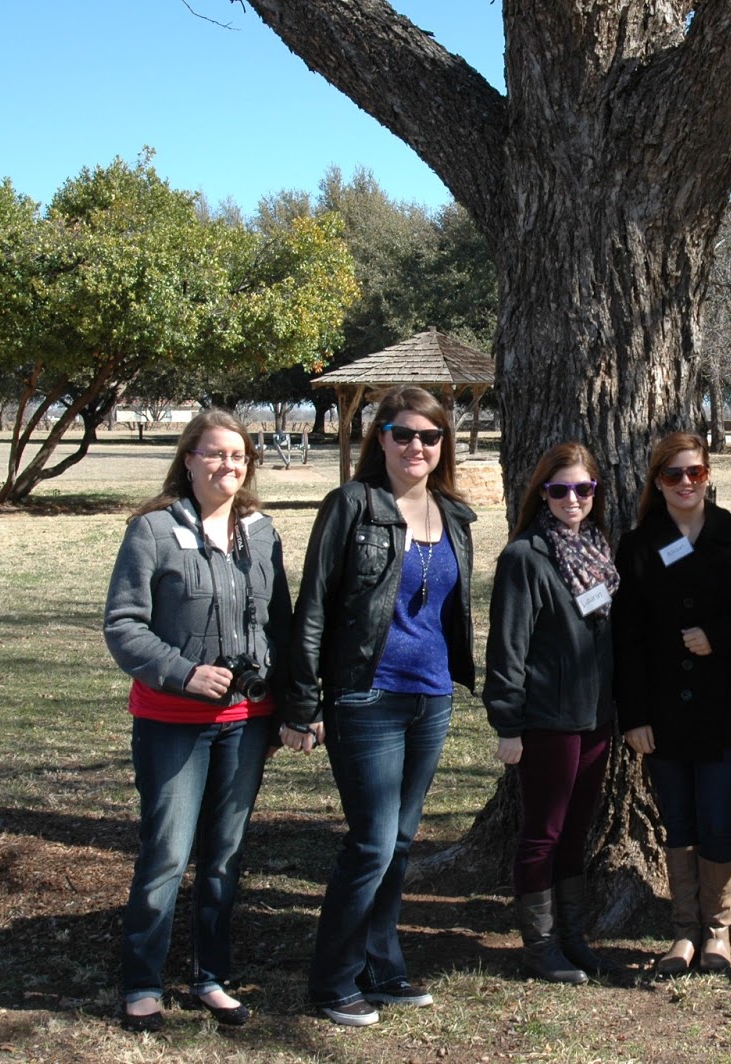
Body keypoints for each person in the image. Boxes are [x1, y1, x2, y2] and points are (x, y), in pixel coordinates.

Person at [283, 385, 477, 1026]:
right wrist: (303, 699)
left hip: (432, 698)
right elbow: (313, 604)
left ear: (442, 444)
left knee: (398, 840)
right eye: (402, 434)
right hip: (365, 694)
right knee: (370, 841)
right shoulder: (351, 505)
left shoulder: (453, 515)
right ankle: (332, 980)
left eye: (429, 436)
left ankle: (381, 966)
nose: (416, 446)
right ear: (381, 439)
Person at [103, 410, 291, 1032]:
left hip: (248, 720)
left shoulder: (262, 534)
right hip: (173, 719)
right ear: (188, 459)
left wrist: (294, 704)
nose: (226, 466)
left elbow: (282, 625)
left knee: (223, 855)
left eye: (238, 457)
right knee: (167, 851)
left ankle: (211, 976)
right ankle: (141, 982)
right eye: (214, 454)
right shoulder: (152, 531)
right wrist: (184, 673)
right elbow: (123, 624)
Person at [613, 432, 731, 975]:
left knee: (716, 818)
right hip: (662, 708)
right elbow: (626, 638)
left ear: (708, 475)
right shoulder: (640, 543)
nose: (685, 483)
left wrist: (722, 634)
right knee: (678, 822)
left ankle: (718, 929)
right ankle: (684, 932)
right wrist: (634, 715)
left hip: (723, 703)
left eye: (694, 473)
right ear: (657, 482)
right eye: (673, 475)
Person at [484, 443, 619, 985]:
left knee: (576, 830)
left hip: (596, 718)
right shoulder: (525, 557)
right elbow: (507, 649)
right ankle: (539, 947)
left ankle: (573, 937)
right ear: (542, 493)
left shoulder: (597, 547)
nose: (572, 499)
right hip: (545, 720)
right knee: (543, 832)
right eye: (560, 489)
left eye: (583, 489)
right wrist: (508, 724)